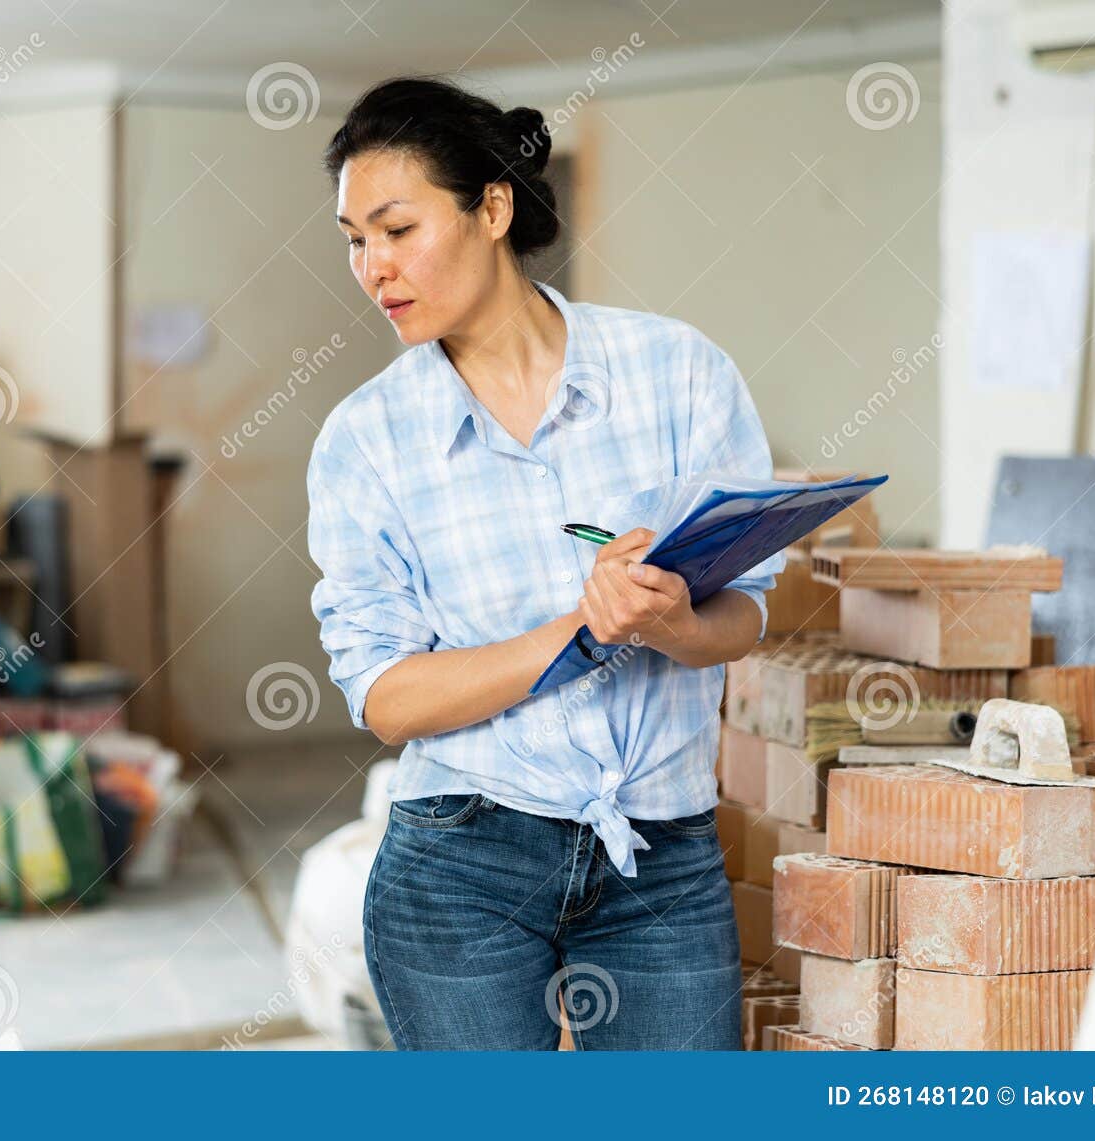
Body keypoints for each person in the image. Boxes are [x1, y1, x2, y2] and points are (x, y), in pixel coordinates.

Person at [307, 76, 783, 1050]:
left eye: (397, 229)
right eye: (355, 240)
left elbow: (748, 614)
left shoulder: (678, 372)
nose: (373, 267)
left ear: (492, 208)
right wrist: (582, 629)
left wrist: (675, 623)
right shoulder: (366, 441)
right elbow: (386, 696)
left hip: (662, 855)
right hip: (460, 863)